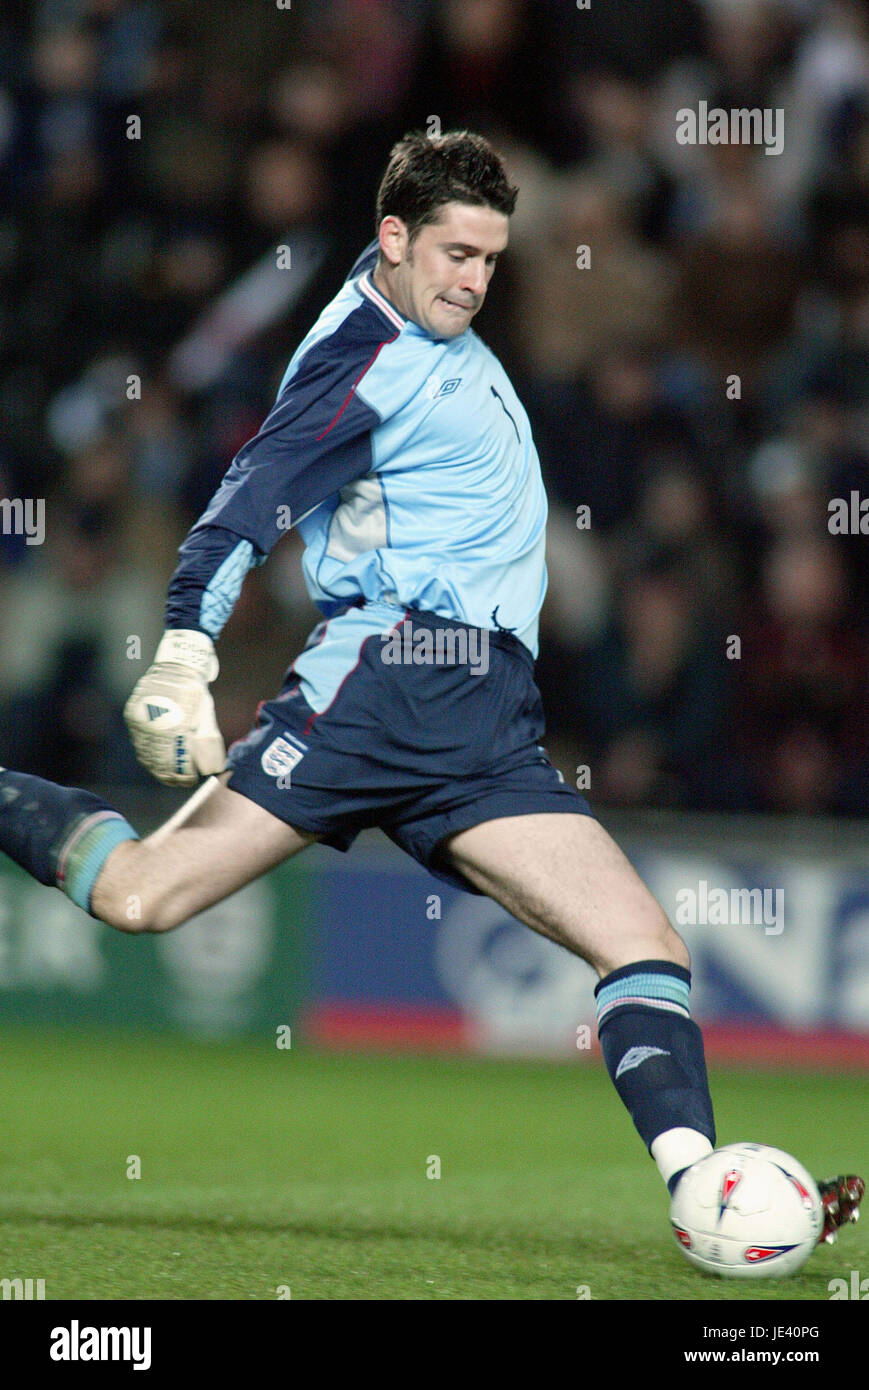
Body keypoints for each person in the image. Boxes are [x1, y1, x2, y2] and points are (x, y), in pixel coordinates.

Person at [0, 131, 861, 1250]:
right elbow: (247, 498)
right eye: (455, 252)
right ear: (392, 238)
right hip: (385, 688)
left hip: (484, 721)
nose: (472, 279)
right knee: (140, 897)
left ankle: (702, 1193)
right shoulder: (360, 352)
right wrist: (183, 650)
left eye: (491, 260)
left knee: (645, 947)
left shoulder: (429, 329)